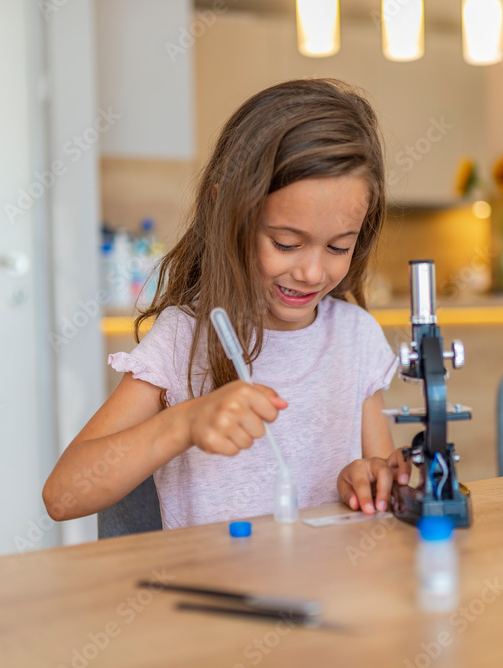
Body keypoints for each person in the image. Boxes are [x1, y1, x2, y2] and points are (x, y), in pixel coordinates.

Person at [42, 78, 409, 530]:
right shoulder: (183, 339)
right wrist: (183, 424)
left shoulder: (355, 337)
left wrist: (368, 479)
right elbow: (63, 495)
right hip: (214, 592)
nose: (313, 273)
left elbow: (376, 479)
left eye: (337, 247)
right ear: (226, 212)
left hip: (333, 592)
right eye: (286, 243)